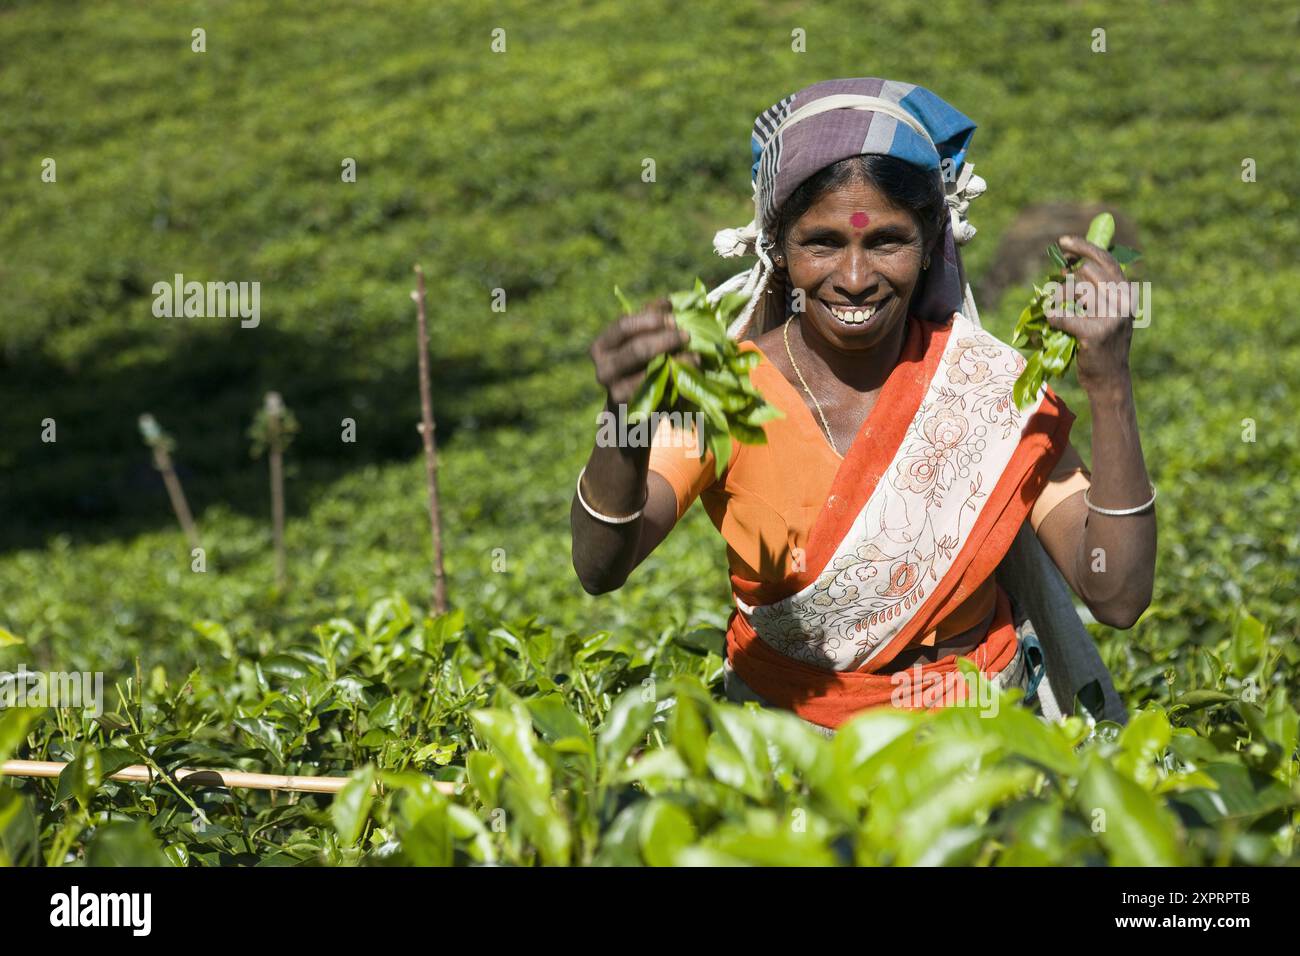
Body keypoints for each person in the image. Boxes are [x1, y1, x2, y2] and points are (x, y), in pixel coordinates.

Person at [571, 78, 1155, 736]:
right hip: (787, 746)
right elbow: (601, 565)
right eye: (822, 242)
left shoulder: (986, 386)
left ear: (930, 243)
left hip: (980, 746)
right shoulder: (728, 391)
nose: (854, 278)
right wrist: (624, 420)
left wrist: (1110, 384)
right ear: (779, 248)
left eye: (886, 241)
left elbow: (1118, 594)